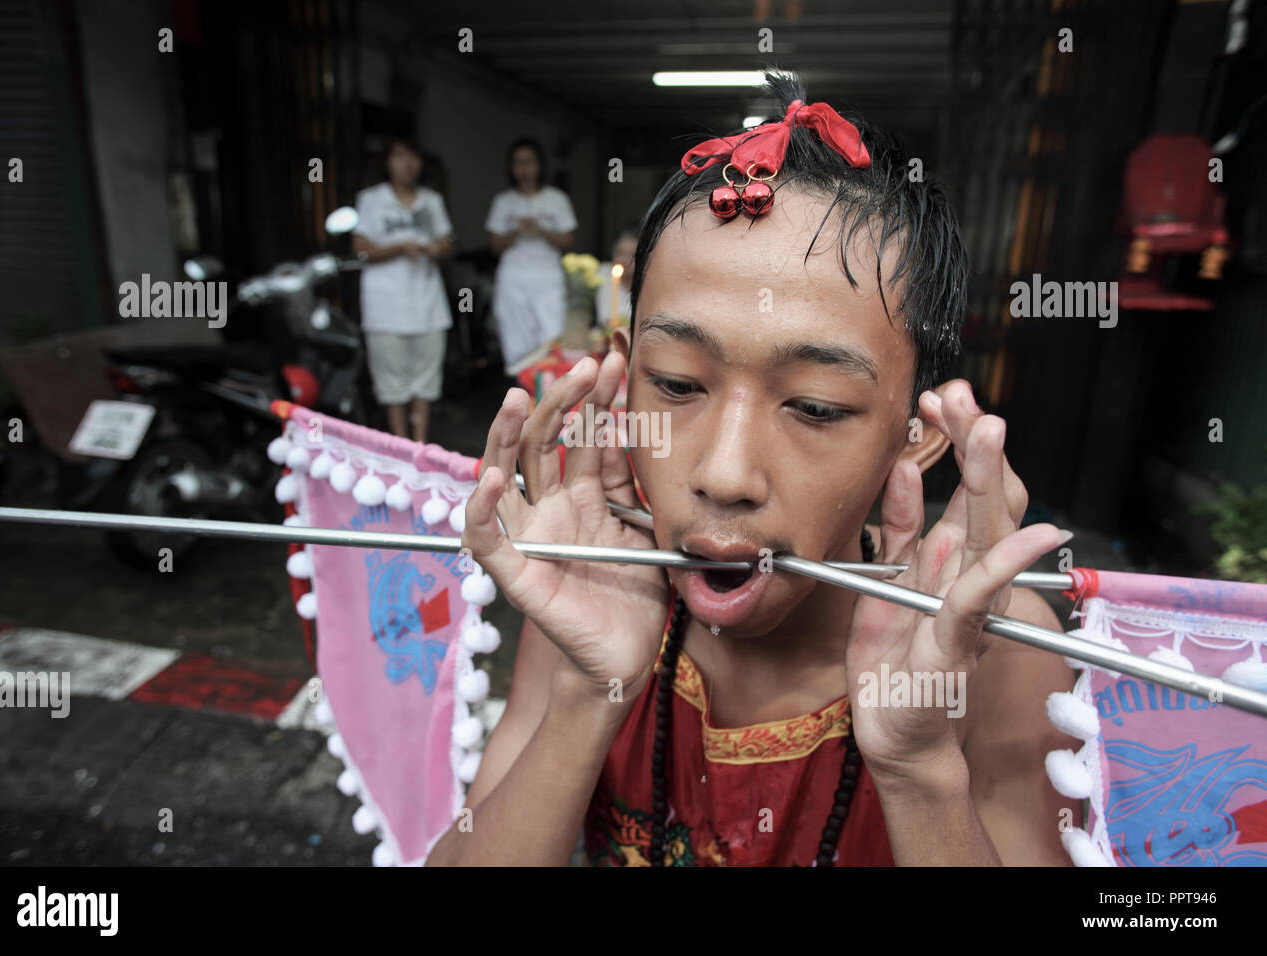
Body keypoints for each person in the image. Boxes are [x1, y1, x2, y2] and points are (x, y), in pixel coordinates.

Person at [429, 71, 1078, 867]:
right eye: (675, 384)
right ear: (620, 382)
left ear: (919, 431)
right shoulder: (593, 584)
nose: (725, 473)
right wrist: (581, 695)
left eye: (814, 405)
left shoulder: (991, 646)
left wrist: (918, 772)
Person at [352, 136, 453, 443]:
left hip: (427, 303)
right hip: (385, 305)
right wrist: (398, 248)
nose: (407, 164)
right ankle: (400, 442)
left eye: (413, 157)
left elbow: (447, 242)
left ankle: (419, 442)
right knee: (391, 381)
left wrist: (436, 249)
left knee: (425, 378)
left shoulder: (431, 200)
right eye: (399, 156)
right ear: (387, 162)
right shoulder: (371, 199)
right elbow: (361, 248)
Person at [485, 138, 577, 374]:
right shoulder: (503, 201)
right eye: (518, 163)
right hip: (513, 279)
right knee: (516, 345)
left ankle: (548, 400)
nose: (524, 169)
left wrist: (542, 231)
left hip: (548, 278)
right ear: (511, 168)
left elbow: (569, 240)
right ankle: (522, 402)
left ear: (539, 165)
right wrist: (516, 231)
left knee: (551, 340)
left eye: (529, 162)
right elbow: (494, 245)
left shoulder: (556, 199)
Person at [593, 225, 638, 334]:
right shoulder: (599, 275)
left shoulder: (649, 283)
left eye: (632, 255)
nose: (625, 260)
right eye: (620, 253)